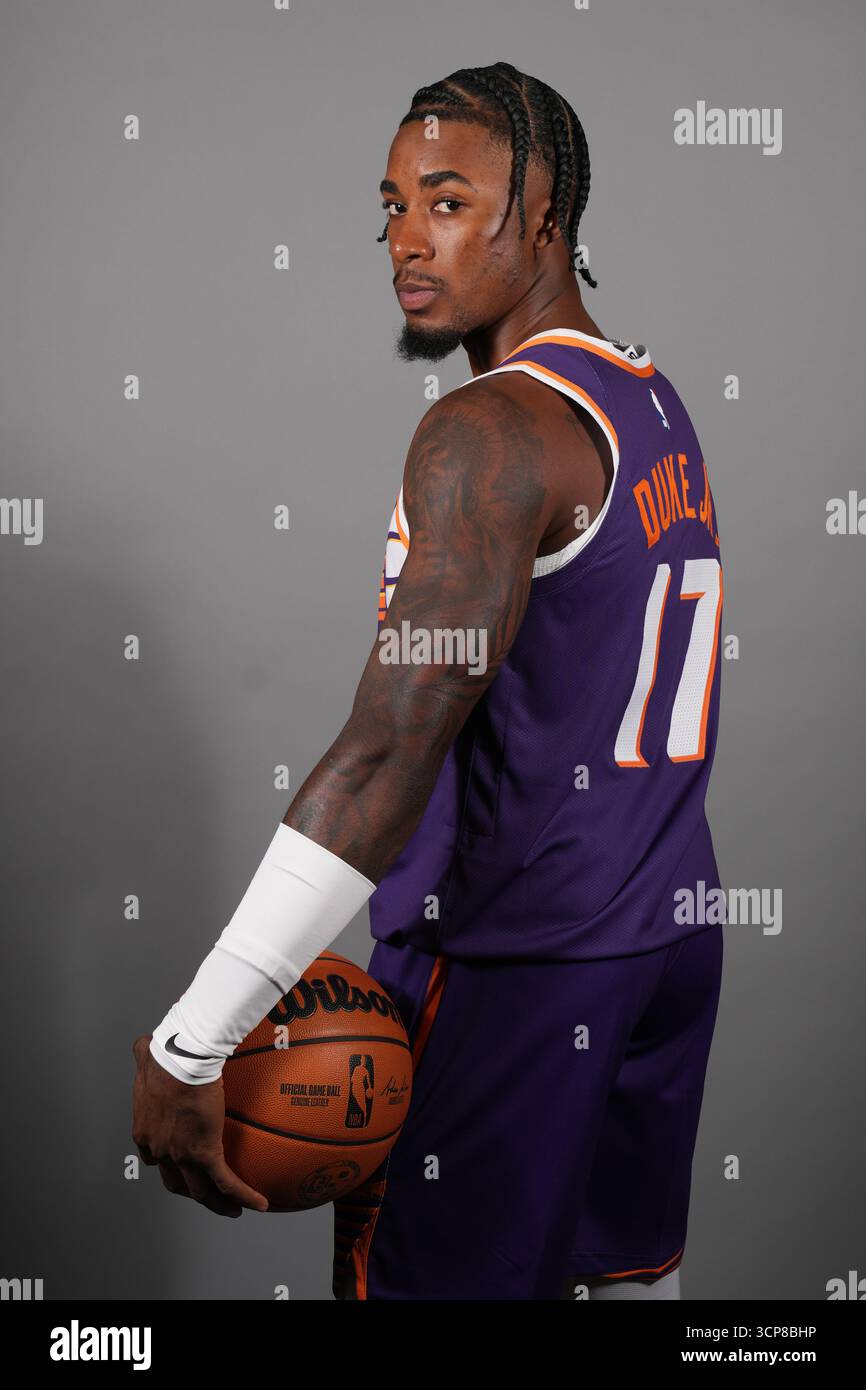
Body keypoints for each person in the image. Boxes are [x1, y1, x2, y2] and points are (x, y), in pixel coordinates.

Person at [132, 61, 725, 1302]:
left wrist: (197, 1035)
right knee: (627, 1285)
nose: (405, 237)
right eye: (392, 204)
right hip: (663, 938)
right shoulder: (649, 397)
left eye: (448, 201)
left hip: (510, 963)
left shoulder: (487, 434)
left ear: (545, 214)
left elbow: (390, 749)